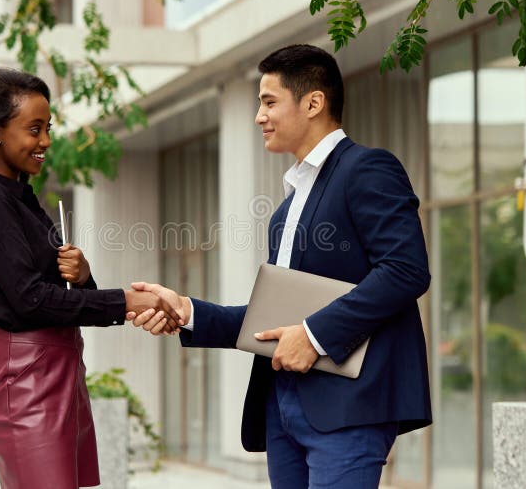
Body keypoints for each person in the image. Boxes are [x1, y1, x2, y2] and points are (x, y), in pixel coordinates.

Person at [132, 44, 432, 488]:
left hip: (347, 409)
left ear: (313, 103)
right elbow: (274, 321)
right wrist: (189, 311)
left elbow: (406, 270)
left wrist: (314, 336)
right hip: (283, 408)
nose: (259, 116)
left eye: (269, 101)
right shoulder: (287, 209)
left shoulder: (367, 169)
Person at [0, 68, 178, 489]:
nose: (45, 141)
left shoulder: (22, 197)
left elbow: (57, 297)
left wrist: (82, 277)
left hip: (59, 372)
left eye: (48, 128)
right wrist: (127, 302)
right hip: (25, 380)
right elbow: (30, 300)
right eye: (34, 129)